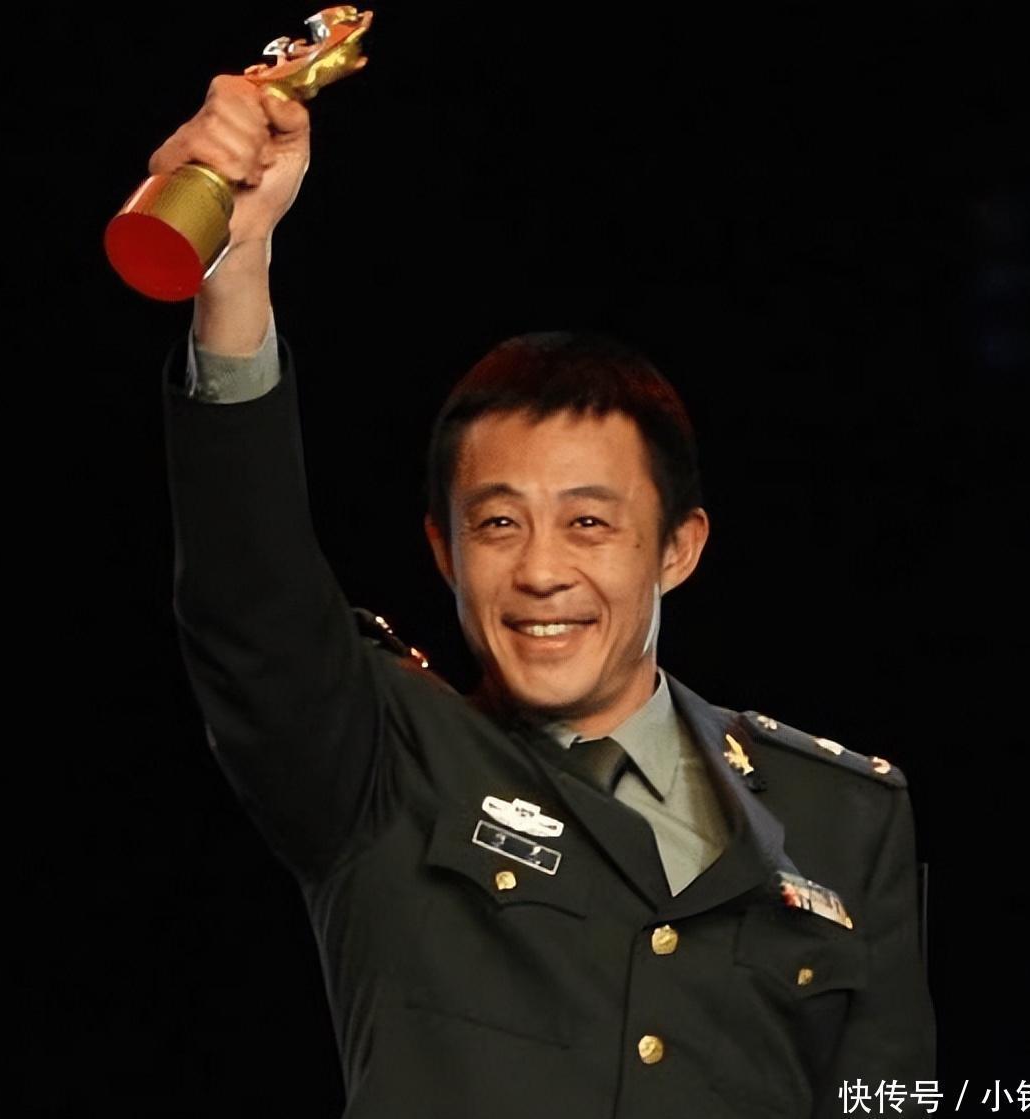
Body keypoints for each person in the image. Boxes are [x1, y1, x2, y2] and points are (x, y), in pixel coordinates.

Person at [155, 75, 935, 1118]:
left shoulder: (842, 815)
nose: (539, 571)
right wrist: (235, 266)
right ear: (442, 550)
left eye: (588, 523)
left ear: (678, 548)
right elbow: (249, 596)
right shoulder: (383, 760)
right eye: (497, 524)